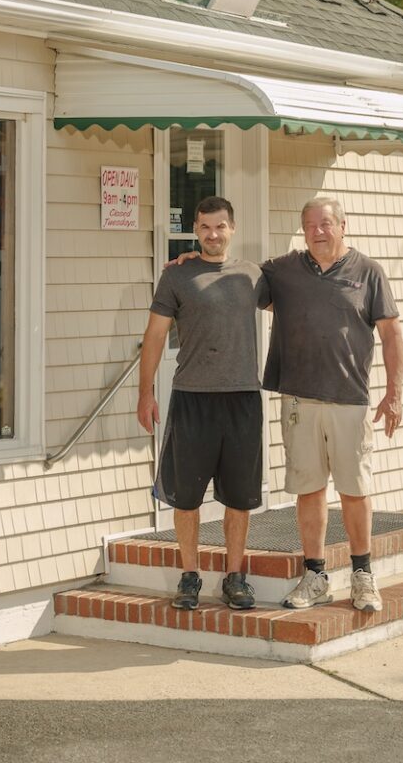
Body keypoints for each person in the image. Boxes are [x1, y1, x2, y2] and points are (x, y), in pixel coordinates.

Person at [261, 195, 403, 614]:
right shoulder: (283, 271)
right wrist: (192, 256)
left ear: (343, 226)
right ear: (302, 231)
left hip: (350, 401)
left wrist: (394, 393)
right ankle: (316, 575)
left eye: (326, 224)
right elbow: (233, 277)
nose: (318, 232)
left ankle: (362, 576)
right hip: (300, 400)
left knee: (354, 490)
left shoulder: (368, 272)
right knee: (309, 489)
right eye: (310, 226)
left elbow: (392, 335)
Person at [137, 196, 266, 611]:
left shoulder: (254, 276)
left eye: (221, 226)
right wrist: (144, 393)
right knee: (186, 497)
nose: (213, 235)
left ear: (233, 228)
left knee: (239, 497)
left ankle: (235, 577)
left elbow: (296, 300)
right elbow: (155, 336)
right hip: (192, 398)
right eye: (206, 227)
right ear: (196, 229)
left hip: (242, 398)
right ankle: (190, 576)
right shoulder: (177, 276)